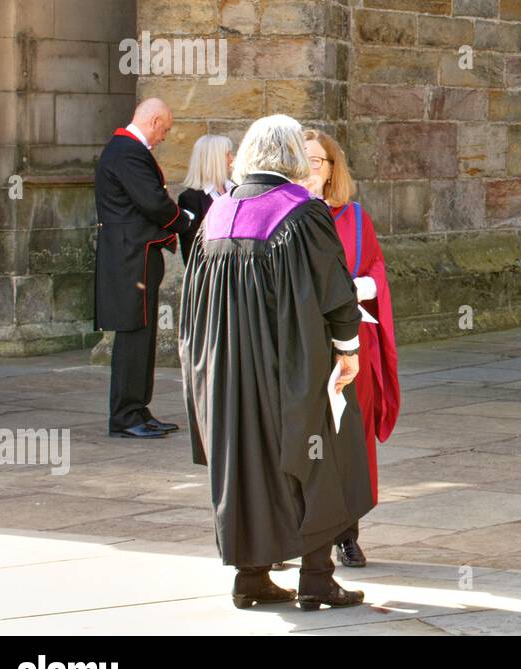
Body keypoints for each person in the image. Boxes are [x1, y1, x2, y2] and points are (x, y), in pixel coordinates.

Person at [179, 114, 371, 610]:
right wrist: (347, 350)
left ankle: (251, 577)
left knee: (245, 461)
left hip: (225, 368)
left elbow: (193, 306)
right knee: (314, 455)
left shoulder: (216, 216)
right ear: (289, 155)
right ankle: (316, 579)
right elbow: (335, 294)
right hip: (290, 364)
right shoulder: (302, 213)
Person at [302, 128, 401, 569]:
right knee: (303, 441)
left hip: (351, 344)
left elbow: (376, 265)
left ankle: (347, 533)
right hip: (301, 346)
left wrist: (365, 285)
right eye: (301, 159)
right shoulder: (282, 215)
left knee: (348, 442)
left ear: (331, 169)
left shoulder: (355, 218)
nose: (309, 168)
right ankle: (298, 535)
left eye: (317, 161)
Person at [94, 97, 192, 438]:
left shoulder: (127, 150)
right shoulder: (127, 151)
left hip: (134, 255)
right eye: (164, 129)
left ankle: (136, 408)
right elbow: (152, 201)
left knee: (142, 333)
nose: (163, 137)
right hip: (130, 257)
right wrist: (185, 221)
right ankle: (125, 416)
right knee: (133, 335)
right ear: (153, 121)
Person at [178, 135, 234, 265]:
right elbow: (192, 251)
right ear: (213, 159)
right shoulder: (190, 199)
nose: (231, 158)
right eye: (227, 154)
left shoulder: (237, 189)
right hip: (212, 276)